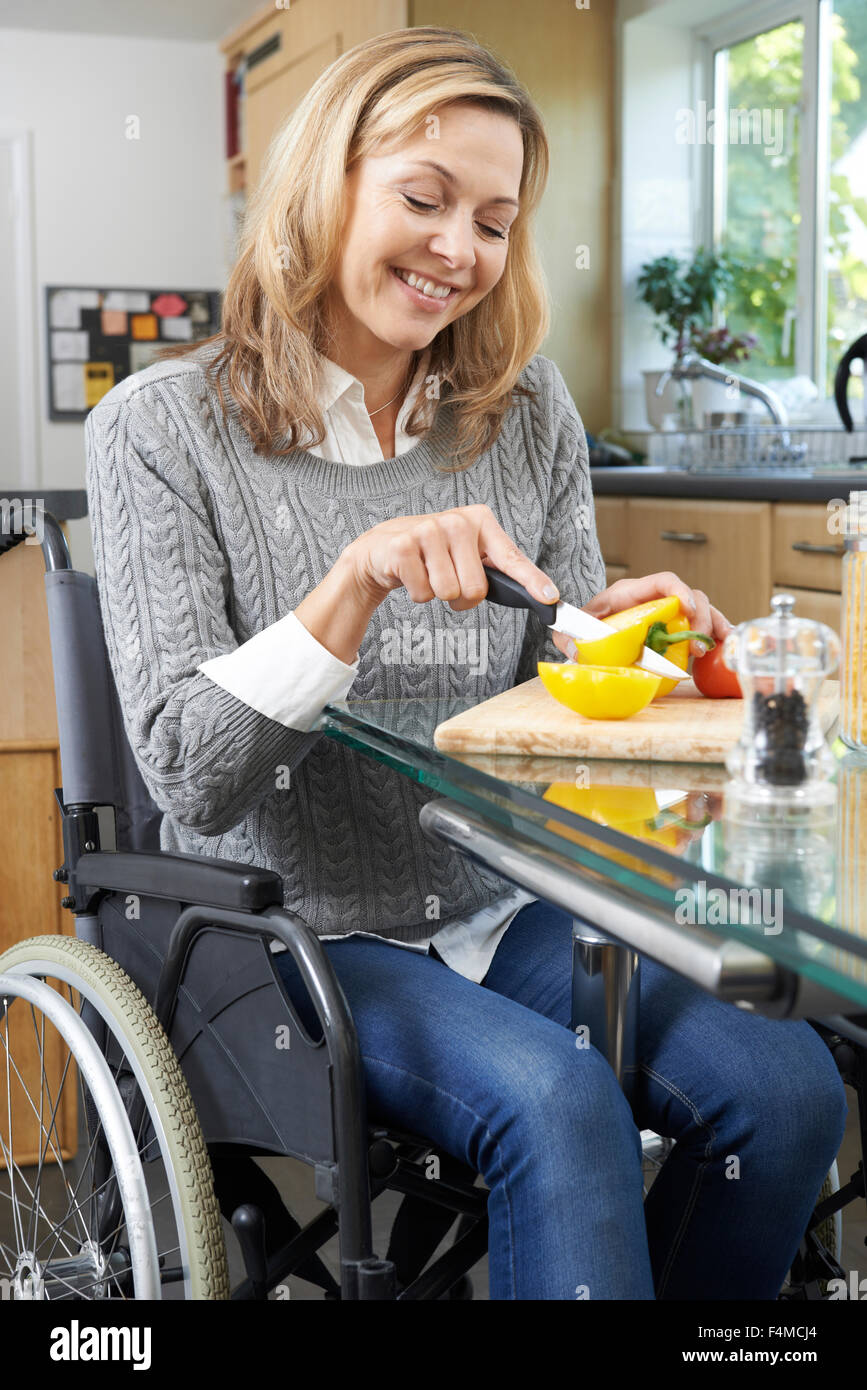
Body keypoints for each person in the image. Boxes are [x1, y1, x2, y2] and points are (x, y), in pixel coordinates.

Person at [85, 26, 846, 1299]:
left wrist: (635, 642)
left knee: (787, 1087)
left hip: (513, 900)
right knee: (558, 1108)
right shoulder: (160, 429)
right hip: (288, 932)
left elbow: (556, 660)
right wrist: (354, 580)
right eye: (424, 200)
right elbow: (193, 778)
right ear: (324, 185)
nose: (461, 252)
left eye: (494, 221)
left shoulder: (523, 408)